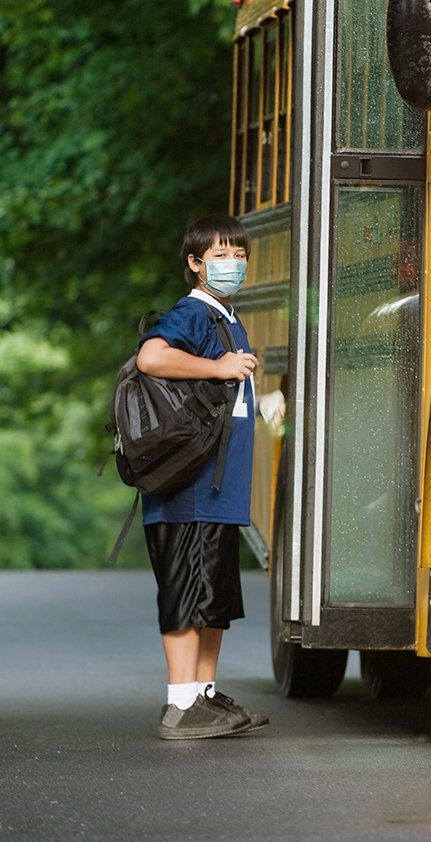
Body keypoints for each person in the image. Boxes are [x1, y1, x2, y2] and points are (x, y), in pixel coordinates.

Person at [135, 213, 269, 740]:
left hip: (219, 491)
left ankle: (204, 697)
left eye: (239, 256)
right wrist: (217, 369)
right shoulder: (193, 312)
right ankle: (179, 704)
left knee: (212, 597)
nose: (232, 264)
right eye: (220, 256)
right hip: (190, 492)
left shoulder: (225, 316)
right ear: (194, 264)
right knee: (186, 594)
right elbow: (151, 357)